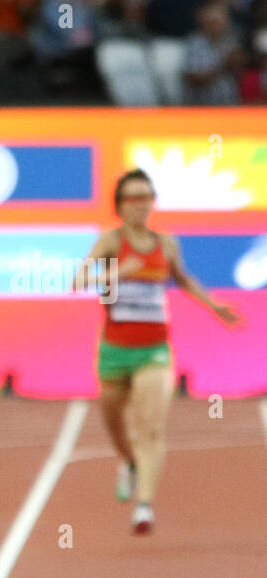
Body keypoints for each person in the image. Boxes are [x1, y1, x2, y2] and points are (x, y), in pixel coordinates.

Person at [75, 168, 238, 534]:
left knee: (150, 428)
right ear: (119, 205)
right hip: (115, 349)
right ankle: (129, 462)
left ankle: (144, 505)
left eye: (146, 197)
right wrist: (114, 273)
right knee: (117, 426)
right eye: (133, 198)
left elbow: (181, 278)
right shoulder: (111, 243)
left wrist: (214, 306)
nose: (140, 204)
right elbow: (79, 279)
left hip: (154, 350)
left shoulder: (166, 244)